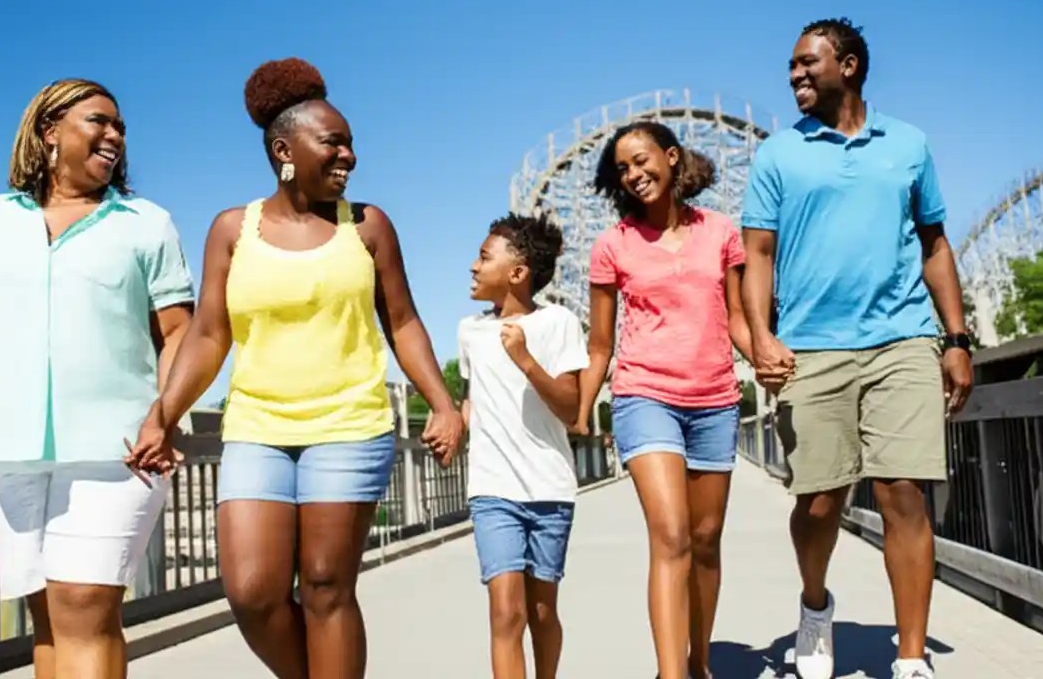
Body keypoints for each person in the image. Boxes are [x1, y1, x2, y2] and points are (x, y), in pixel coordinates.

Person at [128, 57, 464, 679]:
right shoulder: (233, 230)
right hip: (257, 425)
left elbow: (405, 323)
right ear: (284, 149)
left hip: (349, 425)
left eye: (351, 144)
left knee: (325, 585)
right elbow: (207, 334)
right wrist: (162, 414)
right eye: (333, 142)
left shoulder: (368, 227)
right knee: (252, 593)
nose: (350, 156)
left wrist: (443, 403)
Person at [0, 79, 195, 679]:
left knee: (84, 606)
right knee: (49, 618)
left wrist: (164, 417)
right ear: (49, 130)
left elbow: (178, 335)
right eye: (99, 121)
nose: (115, 135)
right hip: (4, 450)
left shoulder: (145, 224)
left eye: (121, 127)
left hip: (119, 450)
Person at [740, 18, 973, 679]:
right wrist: (761, 334)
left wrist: (956, 339)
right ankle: (816, 605)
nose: (794, 76)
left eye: (806, 63)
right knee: (818, 503)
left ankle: (910, 656)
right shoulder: (778, 155)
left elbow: (934, 244)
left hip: (902, 338)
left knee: (903, 492)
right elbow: (757, 255)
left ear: (848, 65)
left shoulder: (908, 144)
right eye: (790, 67)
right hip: (812, 348)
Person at [576, 121, 755, 679]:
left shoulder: (721, 232)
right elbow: (600, 342)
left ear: (672, 157)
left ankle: (698, 664)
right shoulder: (612, 245)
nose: (633, 174)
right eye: (623, 168)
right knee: (672, 533)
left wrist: (768, 358)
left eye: (641, 161)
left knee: (705, 541)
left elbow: (738, 319)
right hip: (643, 394)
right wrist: (582, 409)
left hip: (715, 399)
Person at [459, 213, 588, 679]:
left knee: (541, 615)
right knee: (506, 613)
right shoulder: (470, 330)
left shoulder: (560, 323)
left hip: (550, 489)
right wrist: (453, 426)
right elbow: (474, 399)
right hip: (492, 489)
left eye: (483, 257)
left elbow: (571, 408)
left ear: (517, 273)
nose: (473, 266)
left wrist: (525, 359)